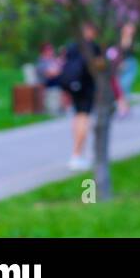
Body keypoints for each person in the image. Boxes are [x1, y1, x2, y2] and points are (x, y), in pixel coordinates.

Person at [46, 21, 102, 170]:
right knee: (84, 118)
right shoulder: (92, 47)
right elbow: (99, 66)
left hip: (73, 86)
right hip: (86, 86)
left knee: (77, 116)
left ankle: (76, 153)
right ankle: (77, 154)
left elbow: (63, 64)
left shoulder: (72, 46)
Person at [114, 22, 139, 118]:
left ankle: (125, 109)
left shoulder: (132, 40)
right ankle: (123, 108)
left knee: (125, 86)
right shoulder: (119, 39)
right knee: (120, 86)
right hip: (119, 65)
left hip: (130, 64)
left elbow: (129, 52)